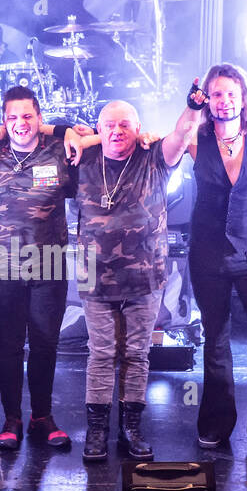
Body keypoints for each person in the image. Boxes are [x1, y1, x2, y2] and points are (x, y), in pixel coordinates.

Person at [166, 64, 247, 453]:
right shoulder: (197, 138)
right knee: (216, 340)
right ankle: (215, 425)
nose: (224, 101)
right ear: (207, 100)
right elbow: (171, 147)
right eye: (216, 94)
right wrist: (190, 109)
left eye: (231, 94)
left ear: (243, 98)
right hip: (208, 255)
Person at [64, 100, 189, 461]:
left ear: (138, 128)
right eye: (109, 125)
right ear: (98, 128)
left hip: (144, 278)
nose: (117, 132)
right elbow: (44, 140)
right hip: (96, 278)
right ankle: (97, 430)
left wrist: (194, 105)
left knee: (137, 354)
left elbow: (183, 134)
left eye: (125, 125)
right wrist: (83, 138)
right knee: (101, 354)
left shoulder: (154, 158)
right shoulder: (83, 159)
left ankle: (131, 429)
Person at [0, 85, 78, 450]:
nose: (20, 123)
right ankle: (11, 419)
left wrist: (66, 130)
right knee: (8, 345)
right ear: (3, 121)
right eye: (12, 118)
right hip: (1, 262)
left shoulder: (61, 151)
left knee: (44, 343)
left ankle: (42, 416)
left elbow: (95, 139)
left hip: (48, 261)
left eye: (27, 116)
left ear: (39, 117)